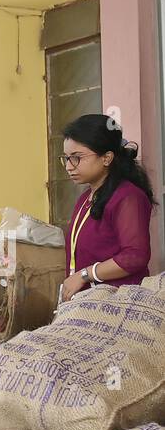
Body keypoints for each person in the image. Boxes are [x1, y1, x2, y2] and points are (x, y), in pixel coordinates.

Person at [59, 112, 156, 301]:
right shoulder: (85, 198)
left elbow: (135, 256)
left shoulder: (128, 197)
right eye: (66, 158)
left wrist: (85, 275)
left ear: (106, 158)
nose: (69, 166)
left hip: (118, 306)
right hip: (86, 303)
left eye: (76, 157)